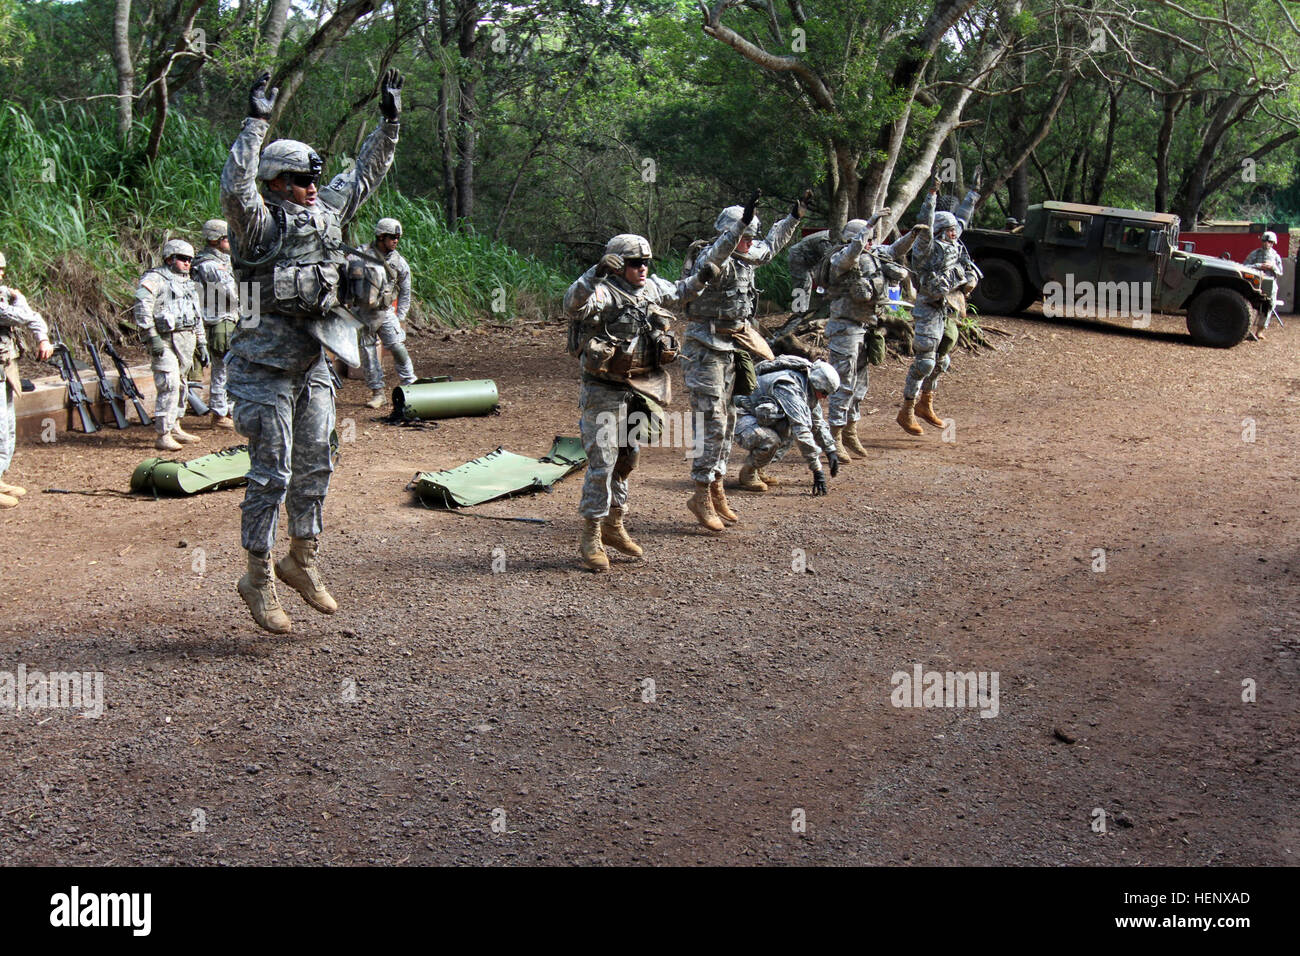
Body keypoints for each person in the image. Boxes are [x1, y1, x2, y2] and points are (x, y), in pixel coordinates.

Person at [221, 67, 402, 634]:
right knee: (270, 473)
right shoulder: (258, 226)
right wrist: (255, 122)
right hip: (263, 367)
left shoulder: (326, 212)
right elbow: (234, 187)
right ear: (275, 182)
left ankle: (301, 560)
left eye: (314, 178)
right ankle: (258, 575)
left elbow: (364, 175)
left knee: (317, 464)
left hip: (313, 361)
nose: (312, 187)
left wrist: (389, 123)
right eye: (300, 180)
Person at [565, 234, 719, 571]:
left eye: (646, 262)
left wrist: (703, 277)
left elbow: (681, 291)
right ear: (619, 265)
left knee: (627, 458)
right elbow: (573, 305)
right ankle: (591, 532)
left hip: (641, 387)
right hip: (603, 390)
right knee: (602, 462)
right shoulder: (603, 292)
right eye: (635, 263)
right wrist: (595, 272)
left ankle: (614, 524)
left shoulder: (650, 289)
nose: (643, 268)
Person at [682, 189, 805, 531]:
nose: (750, 242)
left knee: (731, 418)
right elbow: (720, 250)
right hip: (705, 347)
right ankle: (701, 492)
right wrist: (740, 226)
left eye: (751, 236)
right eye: (744, 235)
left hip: (735, 344)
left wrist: (793, 218)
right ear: (729, 234)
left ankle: (717, 486)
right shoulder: (713, 258)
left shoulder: (748, 255)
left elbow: (771, 244)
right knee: (712, 423)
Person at [822, 210, 920, 461]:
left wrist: (913, 235)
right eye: (866, 238)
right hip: (845, 328)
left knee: (860, 385)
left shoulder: (874, 255)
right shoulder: (841, 258)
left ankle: (850, 431)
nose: (870, 243)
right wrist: (868, 225)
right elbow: (850, 255)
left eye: (872, 238)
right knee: (842, 384)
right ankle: (833, 436)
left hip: (867, 327)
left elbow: (896, 250)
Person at [898, 173, 979, 434]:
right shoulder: (926, 248)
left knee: (942, 360)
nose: (955, 233)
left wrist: (973, 194)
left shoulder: (956, 244)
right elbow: (925, 221)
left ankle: (925, 403)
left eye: (956, 230)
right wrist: (932, 194)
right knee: (925, 362)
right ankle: (907, 410)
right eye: (950, 230)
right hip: (928, 307)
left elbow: (964, 216)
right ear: (941, 231)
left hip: (946, 308)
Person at [133, 239, 207, 452]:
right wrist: (151, 336)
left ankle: (176, 425)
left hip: (186, 340)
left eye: (190, 260)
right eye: (183, 259)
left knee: (182, 385)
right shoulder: (155, 279)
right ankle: (163, 434)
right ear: (170, 258)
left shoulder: (188, 282)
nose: (187, 263)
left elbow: (196, 315)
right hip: (165, 339)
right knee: (170, 383)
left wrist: (201, 342)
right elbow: (142, 308)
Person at [734, 357, 840, 495]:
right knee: (771, 440)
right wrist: (817, 469)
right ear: (817, 384)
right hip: (738, 414)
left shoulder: (806, 388)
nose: (825, 397)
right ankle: (748, 473)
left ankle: (759, 467)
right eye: (825, 393)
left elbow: (817, 423)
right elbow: (801, 431)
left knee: (787, 431)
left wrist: (831, 450)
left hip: (757, 415)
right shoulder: (789, 387)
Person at [0, 252, 53, 507]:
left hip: (5, 370)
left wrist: (42, 338)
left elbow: (34, 318)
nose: (1, 275)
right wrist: (21, 301)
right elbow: (24, 316)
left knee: (7, 428)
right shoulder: (6, 302)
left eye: (2, 269)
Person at [358, 217, 416, 408]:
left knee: (397, 346)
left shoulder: (399, 262)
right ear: (381, 237)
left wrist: (401, 317)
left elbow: (406, 290)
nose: (396, 241)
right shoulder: (360, 254)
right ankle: (378, 392)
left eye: (398, 238)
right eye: (392, 237)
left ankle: (410, 384)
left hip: (386, 311)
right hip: (364, 313)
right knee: (368, 354)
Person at [192, 218, 238, 428]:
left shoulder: (219, 262)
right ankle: (220, 413)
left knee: (230, 367)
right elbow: (233, 294)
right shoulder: (211, 266)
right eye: (227, 238)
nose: (230, 242)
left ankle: (227, 409)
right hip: (221, 321)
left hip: (227, 319)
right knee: (223, 368)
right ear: (215, 240)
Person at [1244, 230, 1284, 339]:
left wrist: (1272, 267)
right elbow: (1245, 266)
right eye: (1265, 241)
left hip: (1270, 284)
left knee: (1269, 306)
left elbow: (1280, 272)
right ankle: (1246, 330)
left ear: (1273, 243)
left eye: (1269, 242)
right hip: (1256, 283)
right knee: (1251, 306)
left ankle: (1260, 331)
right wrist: (1259, 266)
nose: (1266, 244)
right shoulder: (1255, 253)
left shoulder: (1275, 256)